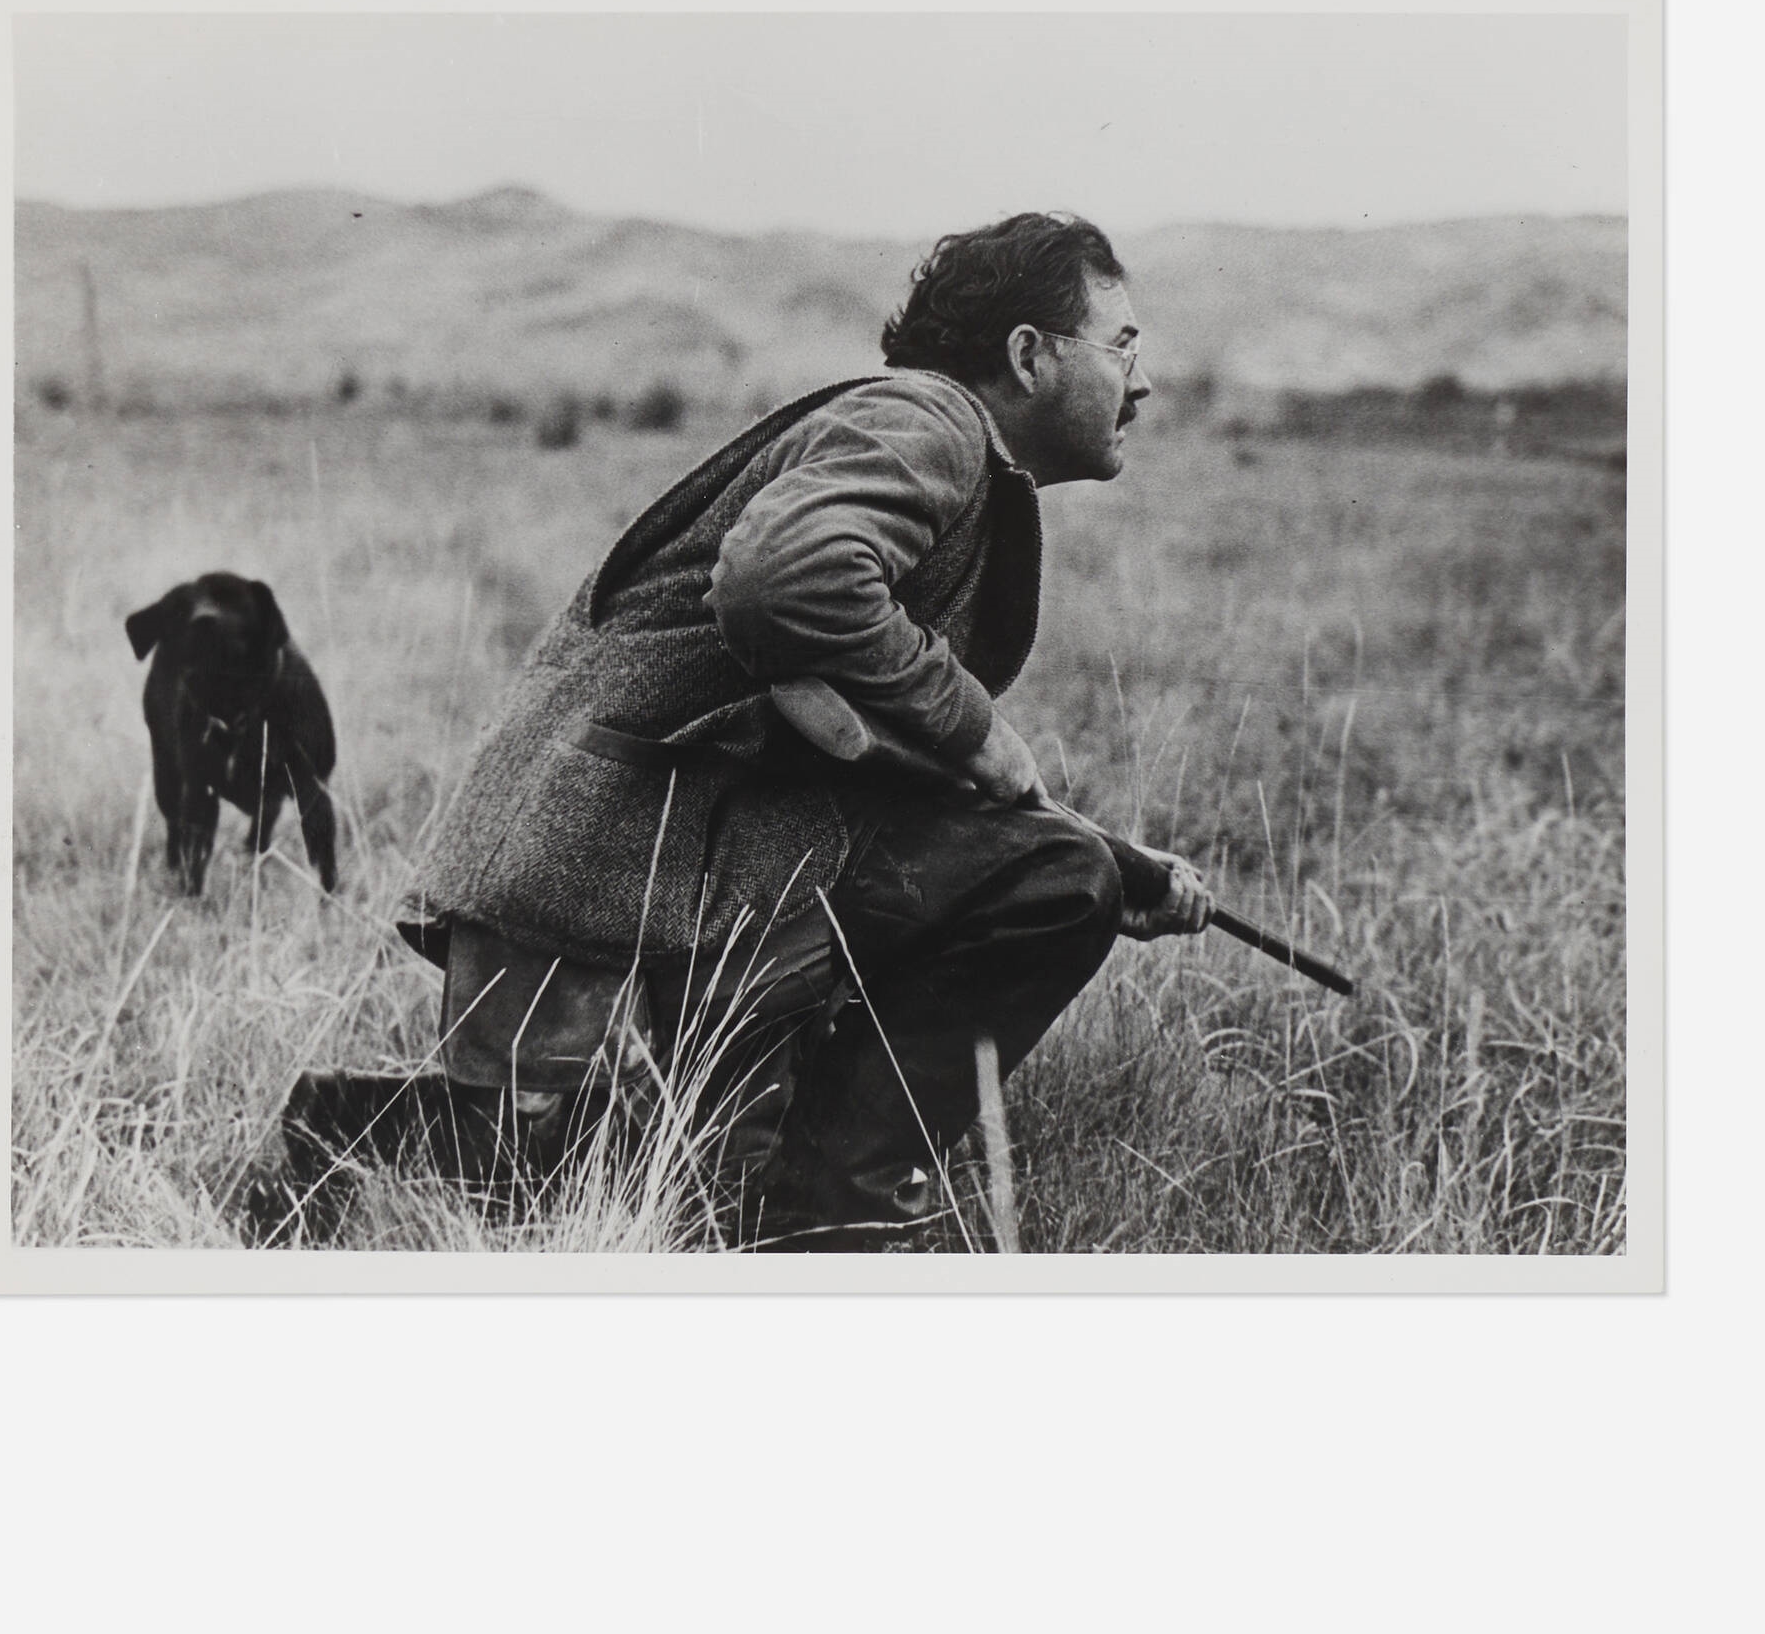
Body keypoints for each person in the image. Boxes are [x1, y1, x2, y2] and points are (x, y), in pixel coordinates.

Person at [256, 211, 1210, 1250]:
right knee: (518, 1180)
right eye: (1121, 345)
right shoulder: (925, 419)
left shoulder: (947, 450)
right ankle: (332, 1149)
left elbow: (867, 726)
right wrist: (975, 729)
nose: (1141, 380)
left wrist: (1118, 863)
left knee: (1059, 879)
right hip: (611, 844)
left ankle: (826, 1210)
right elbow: (781, 578)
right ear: (1026, 354)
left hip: (725, 855)